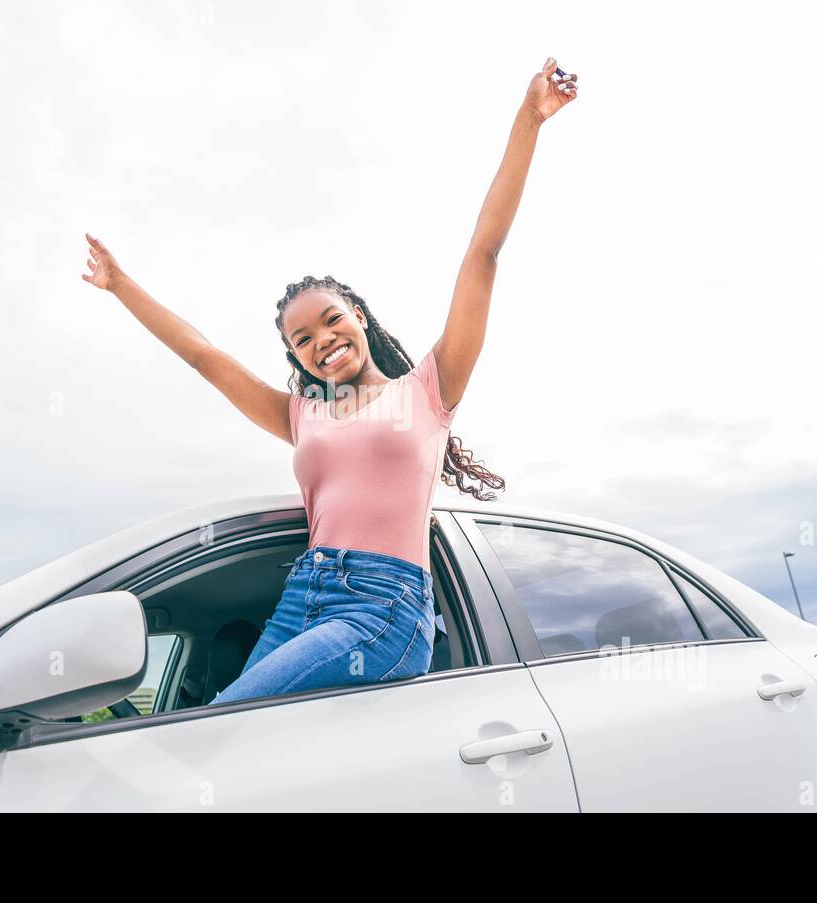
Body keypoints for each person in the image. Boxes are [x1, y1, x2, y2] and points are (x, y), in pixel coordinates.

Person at [80, 57, 578, 704]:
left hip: (382, 607)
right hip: (303, 595)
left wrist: (528, 119)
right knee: (215, 734)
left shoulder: (428, 390)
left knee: (231, 719)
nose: (323, 342)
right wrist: (122, 286)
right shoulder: (301, 416)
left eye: (332, 321)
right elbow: (203, 356)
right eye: (303, 339)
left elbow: (482, 251)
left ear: (360, 317)